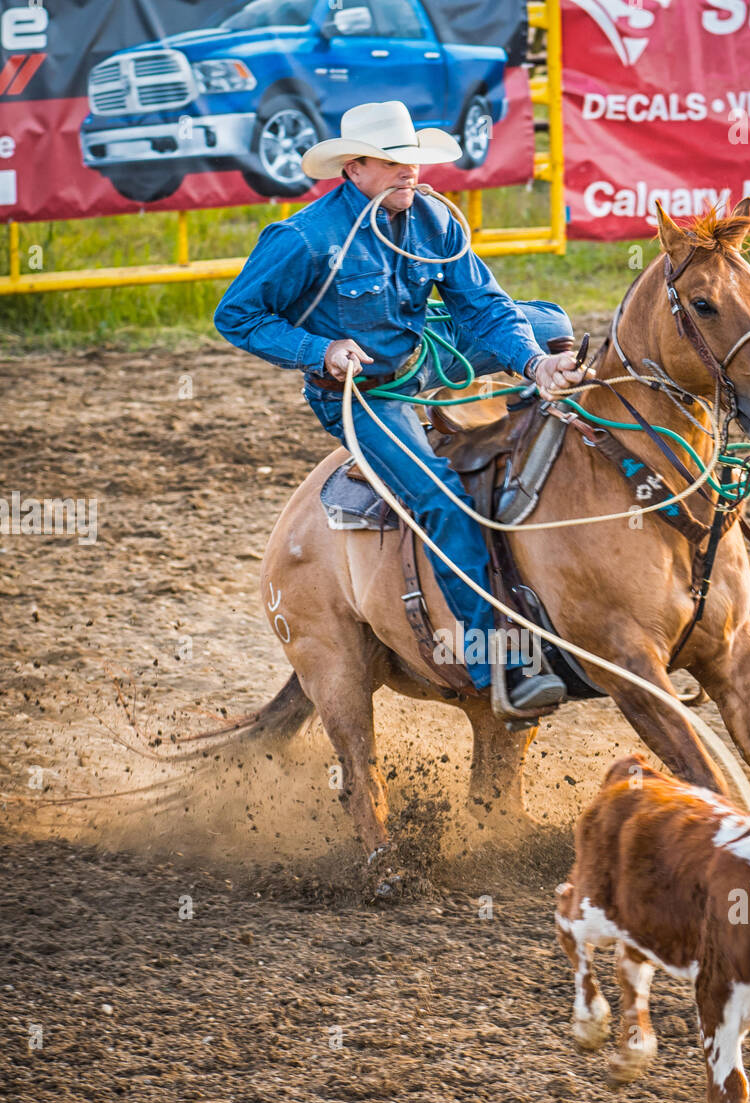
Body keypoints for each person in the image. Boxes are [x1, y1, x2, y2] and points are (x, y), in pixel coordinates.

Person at [214, 100, 584, 712]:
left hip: (424, 353)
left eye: (412, 160)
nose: (410, 172)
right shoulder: (304, 238)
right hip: (361, 393)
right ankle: (501, 667)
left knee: (547, 324)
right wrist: (318, 349)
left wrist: (532, 362)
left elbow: (483, 306)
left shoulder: (435, 218)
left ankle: (537, 435)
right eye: (393, 162)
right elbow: (238, 315)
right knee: (439, 498)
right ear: (354, 168)